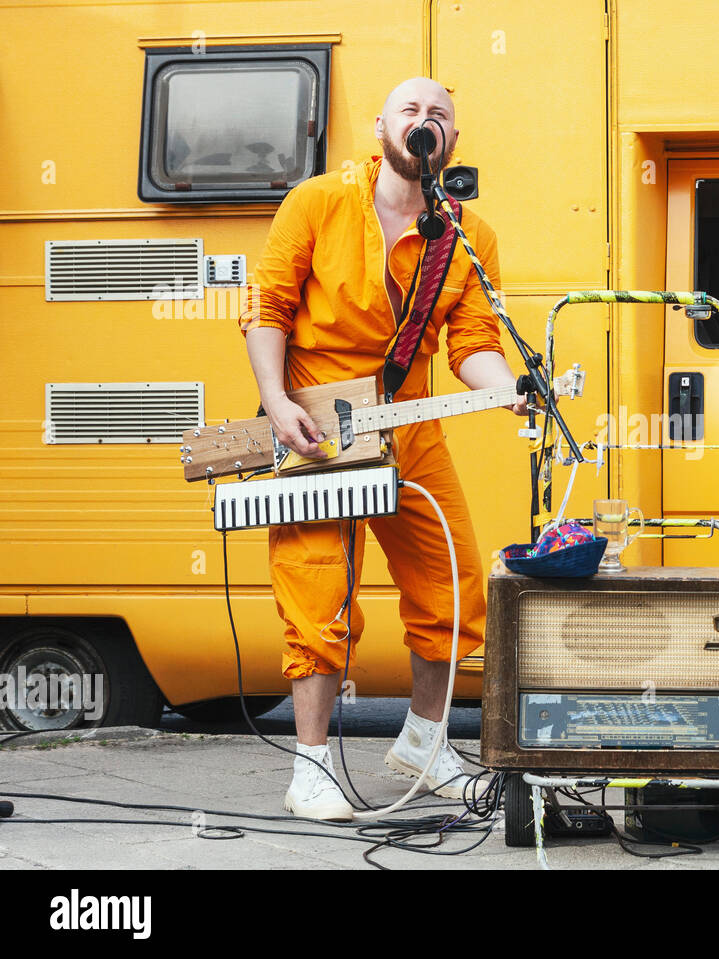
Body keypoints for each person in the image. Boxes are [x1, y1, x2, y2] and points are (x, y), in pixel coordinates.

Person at [240, 78, 526, 821]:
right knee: (319, 594)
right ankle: (311, 769)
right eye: (411, 110)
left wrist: (509, 388)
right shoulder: (318, 202)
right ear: (381, 128)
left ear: (452, 142)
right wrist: (275, 402)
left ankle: (424, 747)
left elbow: (473, 343)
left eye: (440, 116)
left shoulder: (468, 233)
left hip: (410, 422)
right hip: (315, 418)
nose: (424, 122)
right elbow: (266, 304)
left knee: (453, 584)